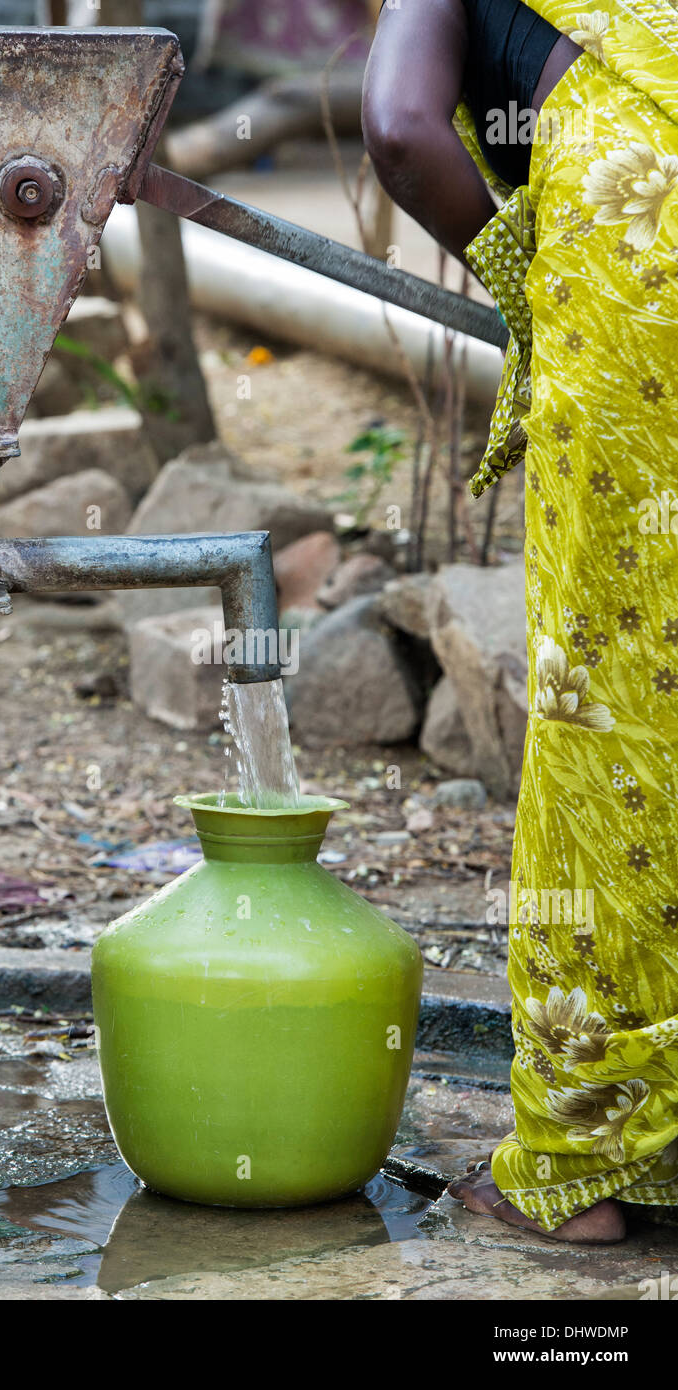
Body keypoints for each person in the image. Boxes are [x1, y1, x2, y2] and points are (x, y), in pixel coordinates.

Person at [363, 0, 678, 1244]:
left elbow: (398, 129)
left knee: (609, 699)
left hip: (632, 214)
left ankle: (578, 1161)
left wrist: (525, 270)